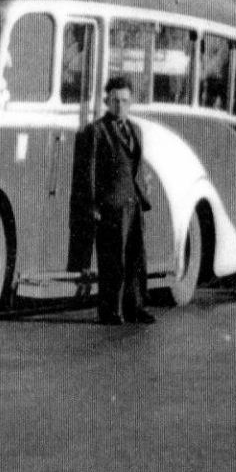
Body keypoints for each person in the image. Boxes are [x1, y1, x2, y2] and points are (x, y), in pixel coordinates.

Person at [74, 76, 154, 325]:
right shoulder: (95, 131)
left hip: (133, 204)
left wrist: (142, 195)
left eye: (125, 101)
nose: (120, 105)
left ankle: (135, 308)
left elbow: (137, 167)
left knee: (136, 259)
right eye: (115, 101)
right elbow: (89, 173)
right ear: (107, 101)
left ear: (131, 103)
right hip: (110, 207)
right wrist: (92, 206)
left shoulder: (135, 130)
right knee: (113, 262)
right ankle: (111, 310)